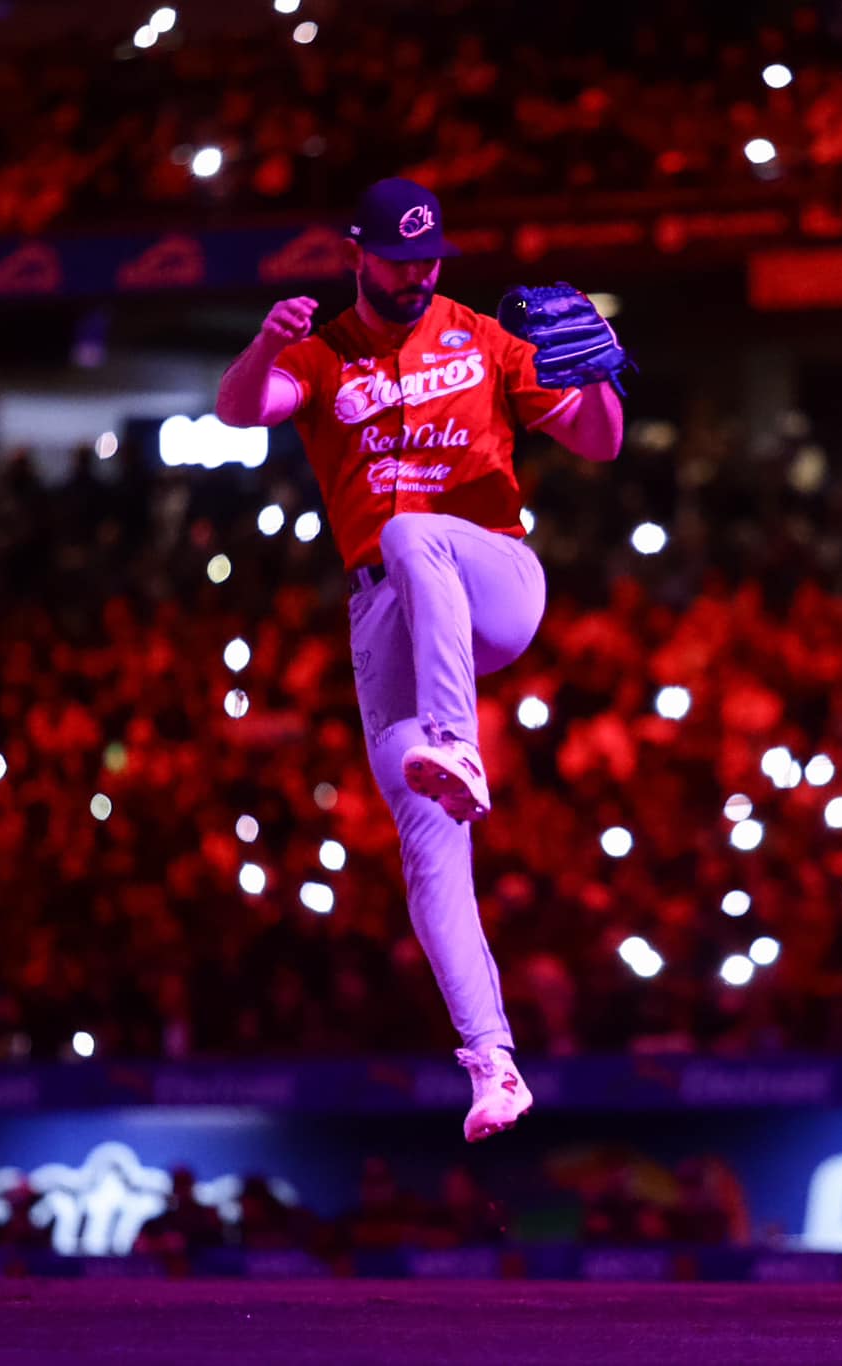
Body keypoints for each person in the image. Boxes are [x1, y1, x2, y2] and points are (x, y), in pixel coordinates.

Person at [216, 177, 624, 1141]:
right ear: (357, 251)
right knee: (429, 848)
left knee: (413, 533)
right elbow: (242, 412)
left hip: (496, 583)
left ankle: (455, 735)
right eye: (401, 260)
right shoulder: (320, 356)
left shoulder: (483, 336)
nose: (420, 273)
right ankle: (494, 1066)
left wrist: (598, 371)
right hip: (391, 619)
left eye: (432, 256)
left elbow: (600, 445)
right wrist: (269, 341)